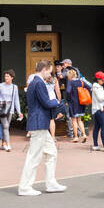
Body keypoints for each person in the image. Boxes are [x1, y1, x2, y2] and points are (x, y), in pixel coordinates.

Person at [18, 59, 67, 196]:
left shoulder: (34, 82)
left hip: (39, 123)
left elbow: (41, 103)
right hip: (39, 123)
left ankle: (50, 183)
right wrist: (57, 102)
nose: (50, 75)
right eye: (49, 72)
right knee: (34, 156)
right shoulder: (39, 82)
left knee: (52, 152)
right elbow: (46, 102)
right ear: (44, 69)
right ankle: (25, 187)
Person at [0, 70, 21, 153]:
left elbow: (16, 100)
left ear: (12, 78)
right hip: (1, 109)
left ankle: (3, 143)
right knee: (5, 126)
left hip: (10, 110)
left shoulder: (14, 87)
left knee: (6, 127)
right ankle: (8, 144)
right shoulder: (0, 86)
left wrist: (19, 111)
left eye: (8, 76)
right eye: (5, 76)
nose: (6, 78)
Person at [89, 71, 104, 153]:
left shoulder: (97, 86)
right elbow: (101, 98)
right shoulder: (97, 87)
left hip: (97, 109)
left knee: (97, 127)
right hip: (99, 110)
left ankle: (95, 145)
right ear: (98, 79)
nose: (103, 81)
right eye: (102, 80)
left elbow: (103, 97)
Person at [64, 67, 87, 142]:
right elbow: (89, 87)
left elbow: (67, 91)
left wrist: (67, 100)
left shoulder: (70, 82)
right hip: (81, 103)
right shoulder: (81, 81)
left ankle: (76, 136)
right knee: (79, 120)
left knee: (73, 120)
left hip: (73, 103)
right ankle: (84, 134)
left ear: (70, 76)